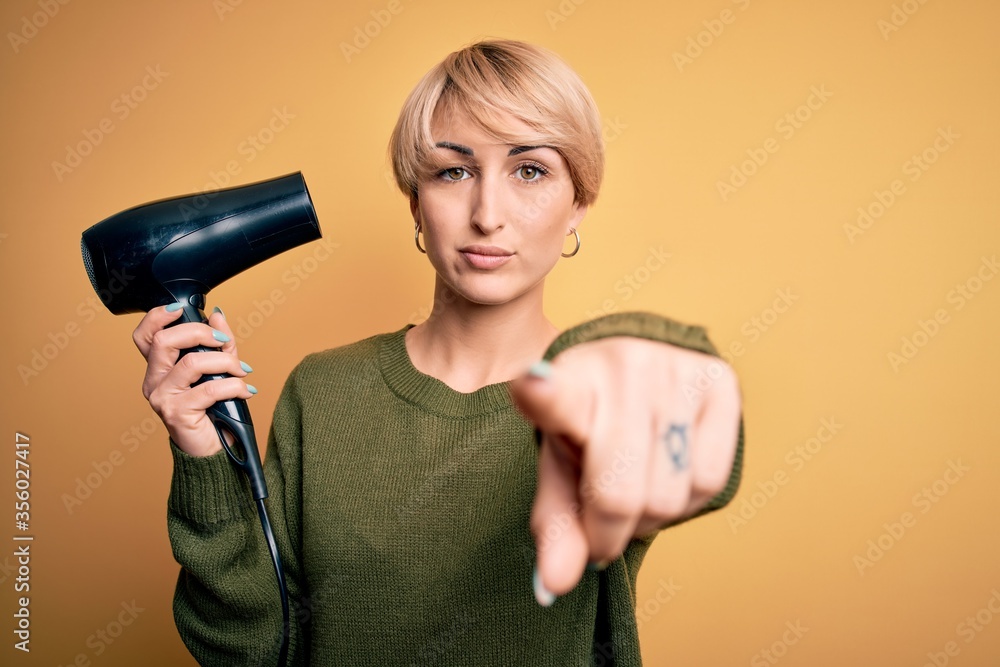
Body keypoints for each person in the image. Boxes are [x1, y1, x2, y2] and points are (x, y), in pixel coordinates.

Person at [132, 38, 744, 666]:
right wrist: (202, 453)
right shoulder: (322, 393)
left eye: (529, 170)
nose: (487, 214)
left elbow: (677, 430)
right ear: (415, 202)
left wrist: (682, 388)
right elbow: (251, 652)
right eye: (453, 171)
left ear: (578, 203)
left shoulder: (591, 398)